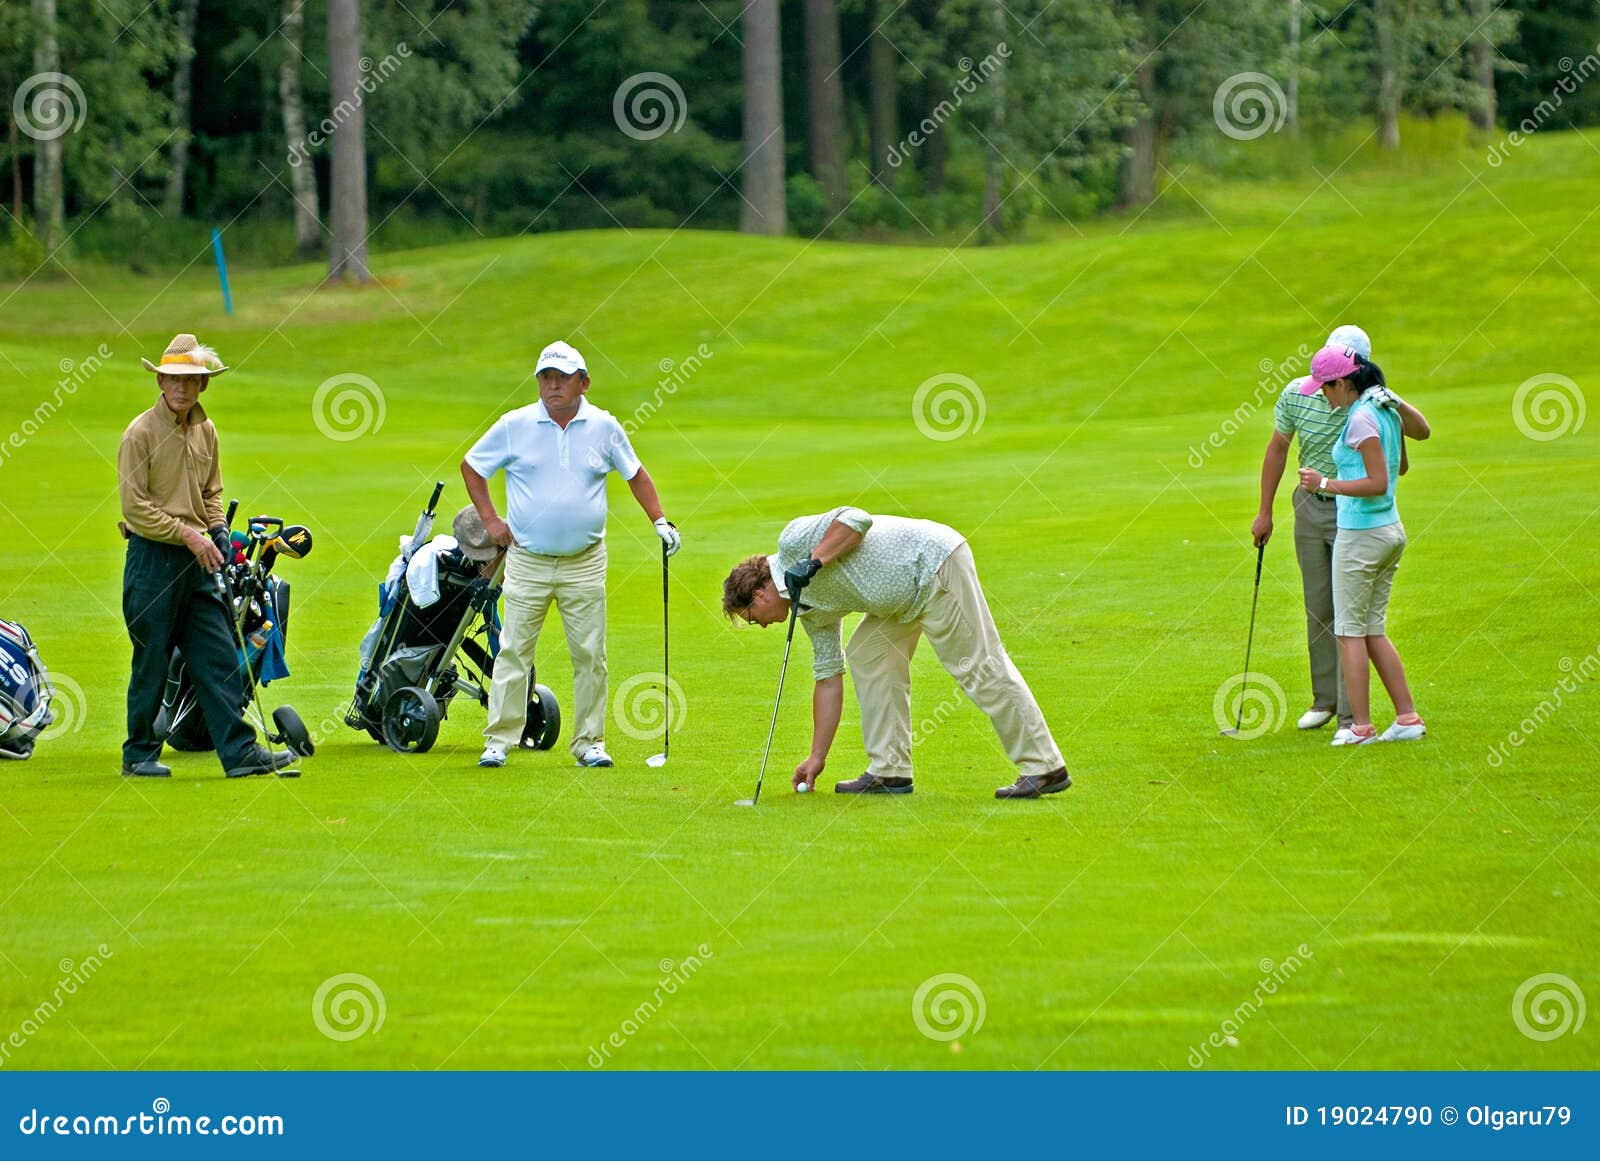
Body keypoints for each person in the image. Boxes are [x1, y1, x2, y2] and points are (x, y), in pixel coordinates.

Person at [721, 506, 1070, 799]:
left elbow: (855, 519)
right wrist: (817, 756)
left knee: (977, 665)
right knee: (867, 653)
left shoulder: (793, 542)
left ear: (760, 592)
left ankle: (1044, 767)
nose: (762, 625)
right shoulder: (810, 613)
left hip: (933, 565)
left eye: (753, 618)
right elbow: (828, 679)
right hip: (902, 600)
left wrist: (813, 561)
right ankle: (890, 770)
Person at [463, 340, 679, 770]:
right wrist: (491, 522)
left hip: (585, 559)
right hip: (527, 558)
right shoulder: (514, 424)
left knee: (589, 653)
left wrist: (659, 520)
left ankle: (589, 742)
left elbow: (635, 474)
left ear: (584, 382)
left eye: (562, 377)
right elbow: (472, 466)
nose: (553, 385)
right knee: (514, 651)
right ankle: (500, 740)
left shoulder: (604, 426)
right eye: (546, 377)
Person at [117, 334, 294, 778]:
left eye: (190, 380)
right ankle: (139, 753)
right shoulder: (140, 433)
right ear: (159, 381)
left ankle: (238, 753)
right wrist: (190, 536)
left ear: (203, 386)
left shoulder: (206, 430)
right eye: (173, 379)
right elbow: (135, 507)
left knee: (217, 655)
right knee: (152, 659)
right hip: (153, 559)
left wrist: (215, 530)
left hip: (198, 561)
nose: (181, 387)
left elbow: (211, 493)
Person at [1295, 345, 1432, 744]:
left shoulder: (1361, 418)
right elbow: (1407, 455)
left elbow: (1378, 483)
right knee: (1372, 629)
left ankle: (1360, 728)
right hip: (1389, 531)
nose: (1323, 396)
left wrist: (1325, 483)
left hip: (1362, 536)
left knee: (1349, 632)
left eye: (1325, 388)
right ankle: (1407, 719)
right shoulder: (1383, 406)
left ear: (1342, 383)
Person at [1252, 324, 1373, 740]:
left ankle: (1350, 715)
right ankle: (1325, 701)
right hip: (1309, 508)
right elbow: (1278, 448)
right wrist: (1264, 511)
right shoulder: (1297, 394)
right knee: (1317, 604)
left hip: (1353, 510)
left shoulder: (1368, 404)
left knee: (1348, 610)